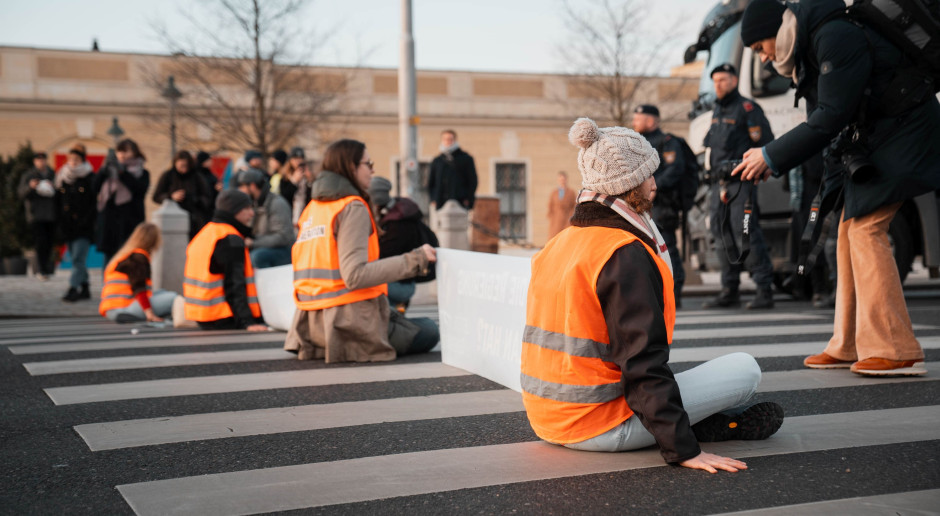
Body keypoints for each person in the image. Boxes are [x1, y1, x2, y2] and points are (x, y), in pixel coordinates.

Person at [520, 117, 784, 474]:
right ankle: (682, 427)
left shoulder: (558, 244)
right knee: (745, 370)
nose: (655, 184)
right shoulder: (622, 251)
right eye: (648, 175)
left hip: (546, 420)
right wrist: (684, 450)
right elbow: (641, 363)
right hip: (600, 426)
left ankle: (672, 421)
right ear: (629, 183)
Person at [734, 0, 940, 375]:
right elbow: (830, 128)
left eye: (758, 48)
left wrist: (771, 156)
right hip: (880, 139)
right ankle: (847, 343)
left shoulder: (834, 36)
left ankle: (897, 348)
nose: (762, 59)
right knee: (847, 230)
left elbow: (830, 118)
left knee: (865, 229)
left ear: (774, 30)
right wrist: (827, 191)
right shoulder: (811, 49)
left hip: (905, 132)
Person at [285, 139, 440, 363]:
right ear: (351, 167)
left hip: (311, 322)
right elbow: (355, 276)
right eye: (368, 163)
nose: (373, 170)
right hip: (348, 321)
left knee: (405, 318)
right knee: (430, 330)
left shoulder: (312, 209)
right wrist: (416, 259)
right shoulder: (352, 206)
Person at [701, 64, 776, 310]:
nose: (718, 85)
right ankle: (729, 290)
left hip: (741, 182)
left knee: (745, 232)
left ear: (734, 80)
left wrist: (738, 165)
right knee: (721, 235)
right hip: (718, 185)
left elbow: (765, 144)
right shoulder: (717, 110)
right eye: (715, 81)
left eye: (723, 79)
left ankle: (764, 290)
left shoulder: (748, 109)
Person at [183, 189, 268, 331]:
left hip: (203, 315)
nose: (251, 213)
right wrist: (247, 322)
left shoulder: (205, 233)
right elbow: (235, 284)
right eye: (246, 208)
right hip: (223, 316)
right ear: (233, 210)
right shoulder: (230, 238)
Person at [632, 104, 687, 306]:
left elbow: (675, 171)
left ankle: (675, 291)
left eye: (638, 118)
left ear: (651, 120)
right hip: (643, 206)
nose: (634, 122)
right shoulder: (638, 144)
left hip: (663, 206)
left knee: (667, 248)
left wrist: (652, 190)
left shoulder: (667, 143)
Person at [368, 176, 439, 312]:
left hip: (402, 285)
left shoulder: (398, 224)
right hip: (401, 281)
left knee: (362, 284)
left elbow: (383, 255)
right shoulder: (395, 216)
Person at [98, 222, 178, 323]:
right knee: (174, 298)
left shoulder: (125, 255)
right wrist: (150, 314)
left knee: (162, 292)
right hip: (125, 308)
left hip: (111, 309)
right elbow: (139, 287)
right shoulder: (138, 257)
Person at [94, 139, 150, 266]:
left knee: (129, 258)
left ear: (135, 153)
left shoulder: (142, 172)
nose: (122, 154)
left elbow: (139, 189)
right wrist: (103, 170)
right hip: (109, 223)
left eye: (126, 151)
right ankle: (109, 284)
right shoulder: (109, 172)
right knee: (109, 259)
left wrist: (122, 173)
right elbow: (95, 187)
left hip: (130, 222)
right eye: (120, 151)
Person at [55, 144, 96, 301]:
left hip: (83, 226)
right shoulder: (62, 177)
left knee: (78, 258)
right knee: (75, 259)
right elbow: (58, 202)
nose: (73, 162)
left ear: (82, 160)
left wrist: (86, 221)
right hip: (67, 226)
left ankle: (73, 288)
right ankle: (85, 287)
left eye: (76, 159)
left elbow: (93, 204)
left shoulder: (89, 177)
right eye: (71, 159)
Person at [235, 168, 296, 268]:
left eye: (242, 187)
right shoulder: (254, 203)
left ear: (253, 186)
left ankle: (266, 283)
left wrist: (253, 243)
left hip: (284, 250)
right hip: (264, 246)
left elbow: (283, 237)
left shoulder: (277, 203)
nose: (240, 191)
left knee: (257, 257)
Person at [152, 150, 213, 240]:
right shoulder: (168, 176)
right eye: (181, 166)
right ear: (175, 164)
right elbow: (157, 196)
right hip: (172, 219)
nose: (184, 169)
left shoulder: (197, 176)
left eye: (186, 166)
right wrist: (171, 196)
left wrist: (195, 199)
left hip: (194, 220)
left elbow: (207, 197)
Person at [17, 151, 57, 280]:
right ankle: (41, 269)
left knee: (49, 243)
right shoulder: (29, 176)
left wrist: (54, 188)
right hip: (36, 215)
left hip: (51, 215)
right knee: (40, 243)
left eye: (43, 159)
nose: (41, 162)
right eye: (38, 160)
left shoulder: (52, 174)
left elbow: (60, 193)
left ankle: (46, 268)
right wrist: (31, 187)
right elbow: (21, 194)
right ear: (34, 162)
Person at [428, 129, 478, 211]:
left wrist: (468, 198)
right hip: (441, 202)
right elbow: (431, 182)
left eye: (450, 139)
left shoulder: (466, 159)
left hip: (460, 200)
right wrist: (433, 199)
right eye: (445, 139)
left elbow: (472, 180)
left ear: (454, 140)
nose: (447, 142)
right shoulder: (437, 161)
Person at [546, 171, 576, 240]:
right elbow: (550, 206)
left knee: (566, 238)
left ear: (566, 180)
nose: (562, 181)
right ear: (558, 180)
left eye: (563, 179)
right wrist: (552, 218)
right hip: (556, 220)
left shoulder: (571, 192)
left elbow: (574, 206)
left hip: (566, 220)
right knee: (554, 238)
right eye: (560, 180)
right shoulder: (554, 192)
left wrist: (570, 218)